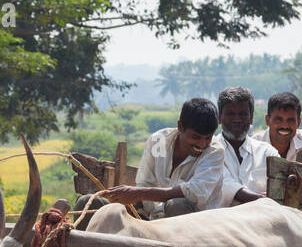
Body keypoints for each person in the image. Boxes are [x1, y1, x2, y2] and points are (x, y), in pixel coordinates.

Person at [98, 97, 226, 218]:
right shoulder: (158, 140)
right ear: (180, 126)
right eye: (195, 137)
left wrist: (137, 193)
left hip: (196, 223)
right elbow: (145, 183)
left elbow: (196, 192)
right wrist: (122, 202)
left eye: (208, 138)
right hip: (154, 220)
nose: (202, 144)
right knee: (92, 202)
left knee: (176, 204)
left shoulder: (215, 151)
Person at [216, 85, 273, 204]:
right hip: (220, 220)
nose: (237, 119)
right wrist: (261, 199)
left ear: (251, 118)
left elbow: (281, 187)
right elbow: (225, 185)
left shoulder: (267, 153)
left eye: (243, 114)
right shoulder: (210, 150)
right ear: (219, 117)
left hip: (262, 219)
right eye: (230, 114)